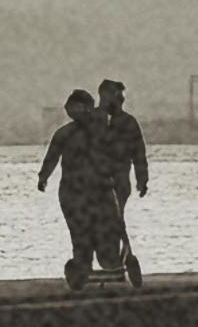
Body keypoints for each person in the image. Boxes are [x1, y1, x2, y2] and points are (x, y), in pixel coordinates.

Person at [87, 72, 150, 284]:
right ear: (104, 96)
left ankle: (118, 260)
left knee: (115, 220)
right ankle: (108, 261)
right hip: (94, 183)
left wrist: (142, 178)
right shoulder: (91, 120)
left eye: (121, 97)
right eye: (117, 96)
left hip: (119, 182)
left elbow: (139, 152)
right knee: (97, 222)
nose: (120, 101)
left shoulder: (128, 123)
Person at [38, 87, 105, 280]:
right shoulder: (65, 134)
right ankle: (83, 265)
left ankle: (89, 264)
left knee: (93, 229)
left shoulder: (99, 131)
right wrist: (43, 177)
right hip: (72, 191)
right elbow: (51, 158)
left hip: (94, 190)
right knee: (79, 230)